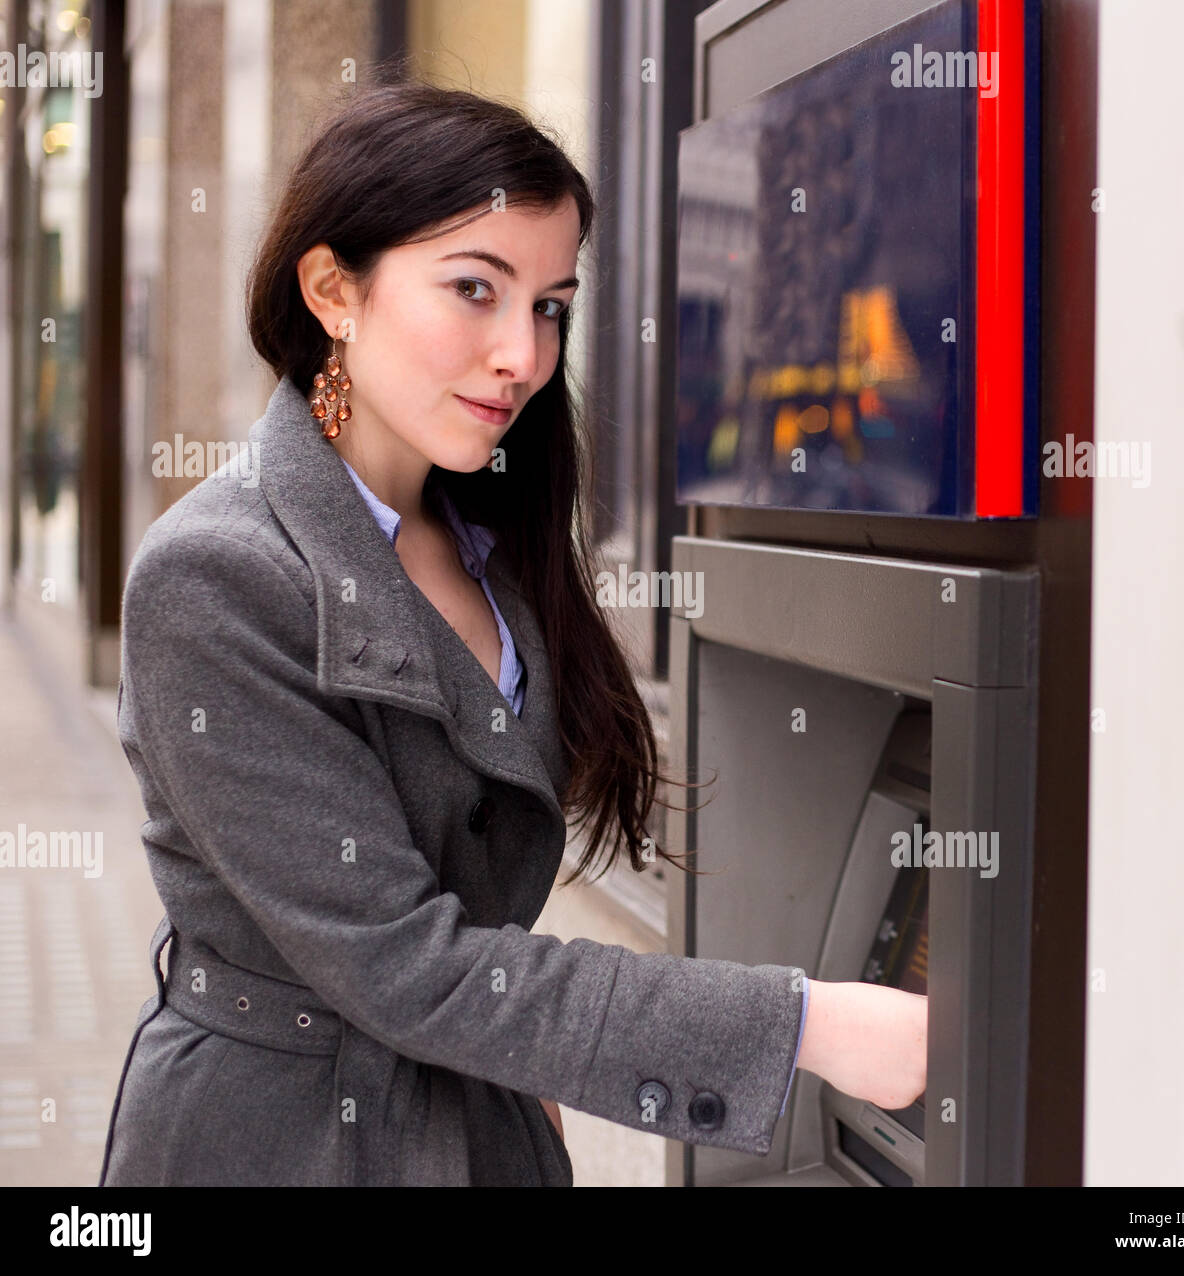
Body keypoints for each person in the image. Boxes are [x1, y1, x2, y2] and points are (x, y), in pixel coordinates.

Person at [98, 79, 926, 1187]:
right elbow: (406, 963)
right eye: (474, 290)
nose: (523, 357)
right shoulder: (216, 576)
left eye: (548, 305)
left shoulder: (489, 530)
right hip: (279, 1142)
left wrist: (516, 1064)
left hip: (471, 1117)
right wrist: (804, 1023)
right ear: (333, 287)